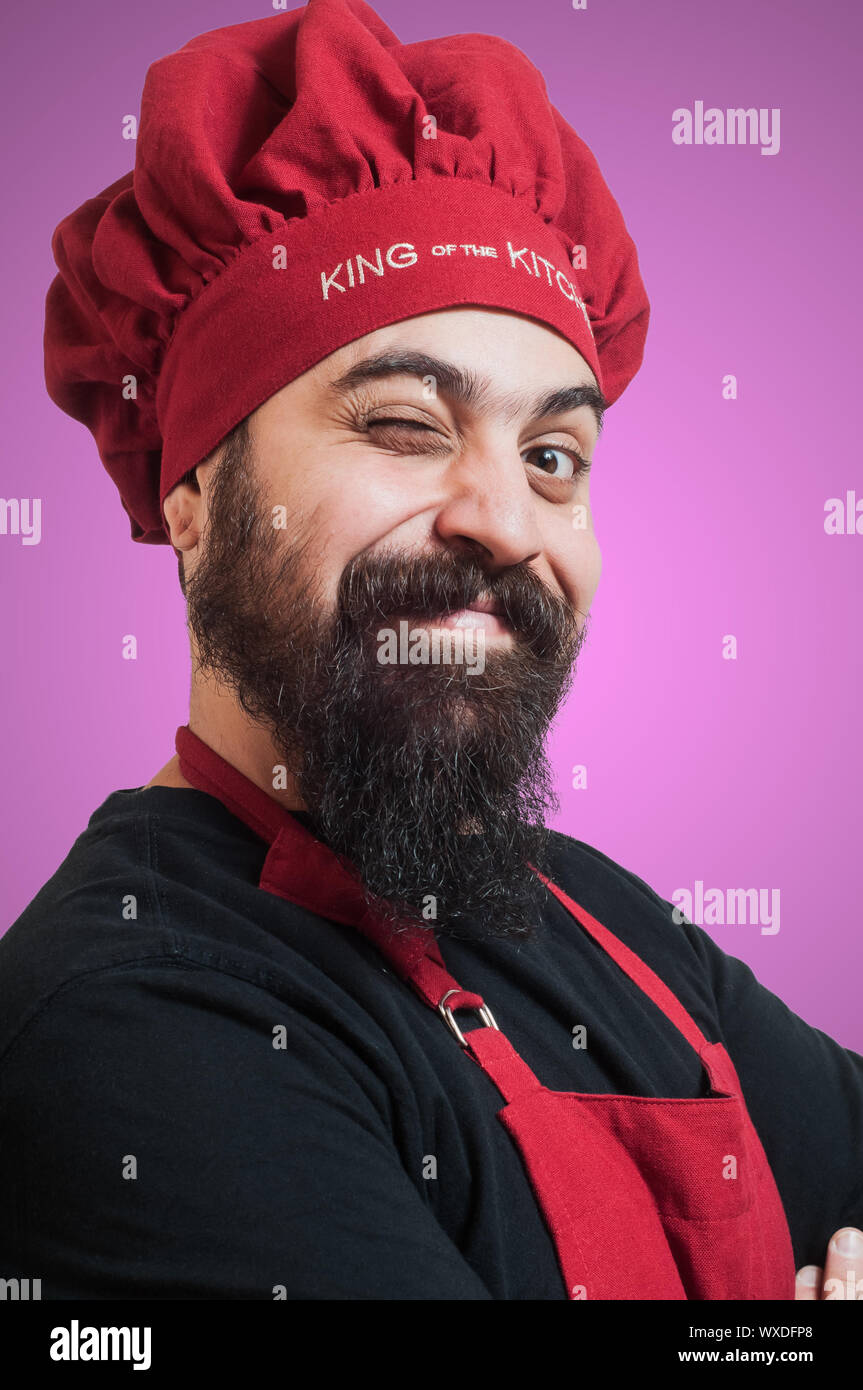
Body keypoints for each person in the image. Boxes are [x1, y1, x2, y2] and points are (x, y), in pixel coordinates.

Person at [1, 0, 860, 1300]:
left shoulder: (609, 926)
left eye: (553, 456)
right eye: (404, 423)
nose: (505, 523)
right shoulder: (125, 1024)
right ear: (192, 500)